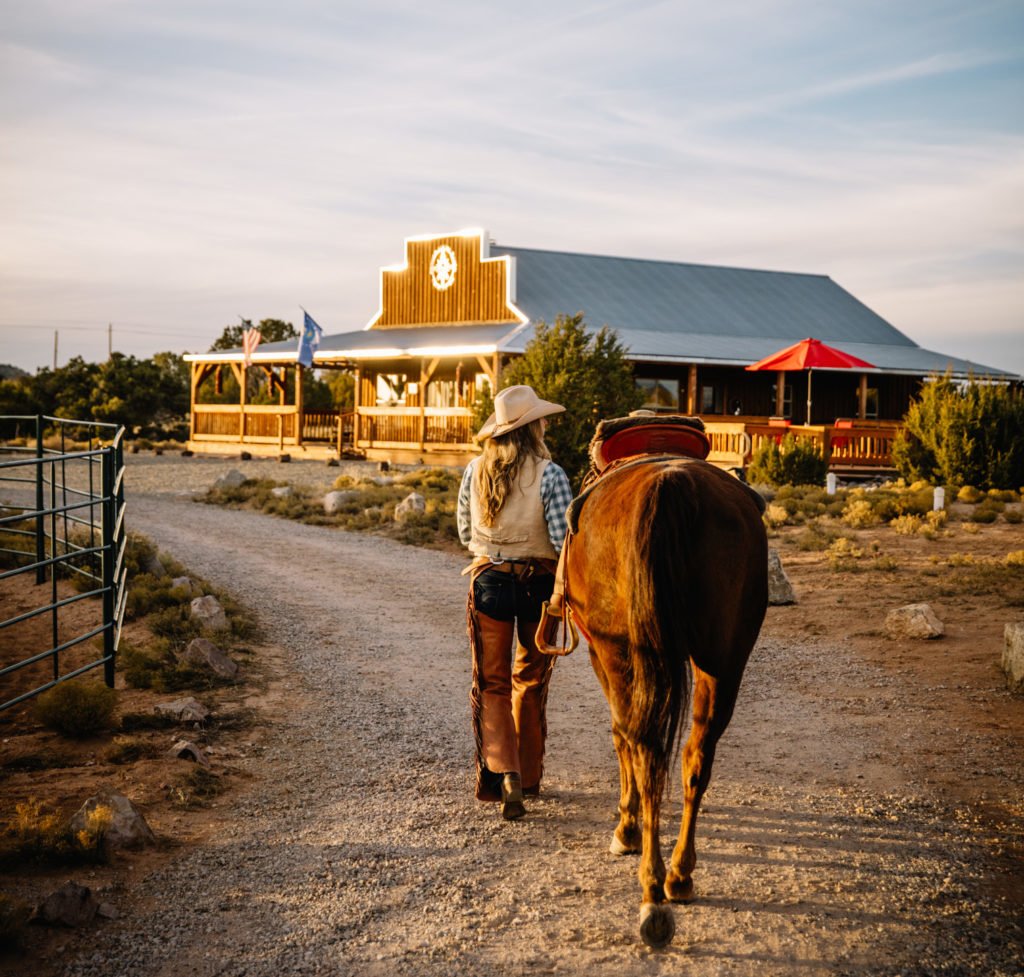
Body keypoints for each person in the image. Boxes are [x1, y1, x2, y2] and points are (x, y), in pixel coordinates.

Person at [457, 385, 574, 820]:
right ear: (532, 429)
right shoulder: (551, 474)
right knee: (530, 678)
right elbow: (563, 542)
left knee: (492, 683)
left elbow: (466, 534)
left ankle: (502, 774)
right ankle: (528, 775)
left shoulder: (474, 470)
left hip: (488, 581)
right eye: (541, 419)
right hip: (538, 586)